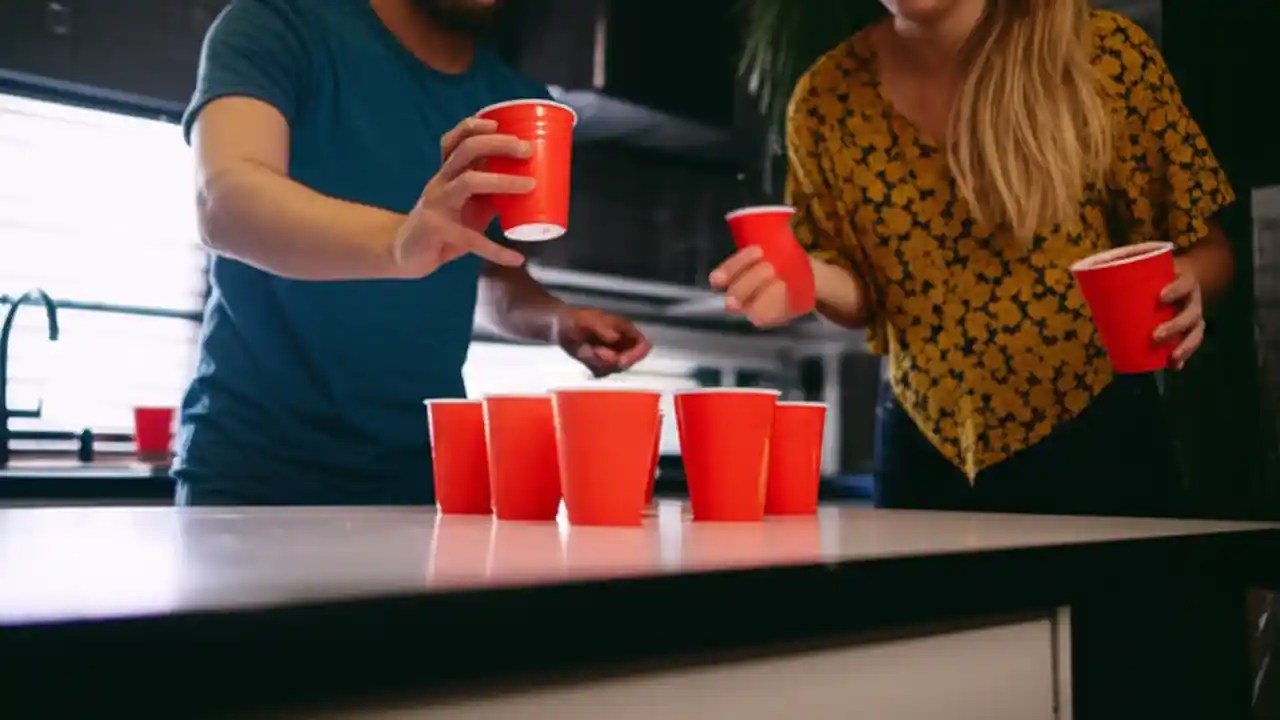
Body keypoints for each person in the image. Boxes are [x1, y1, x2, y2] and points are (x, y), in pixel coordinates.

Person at [713, 0, 1235, 517]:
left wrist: (1184, 280)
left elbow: (1207, 249)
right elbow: (867, 295)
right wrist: (807, 277)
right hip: (923, 452)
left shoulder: (1103, 54)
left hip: (1100, 440)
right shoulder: (824, 100)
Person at [175, 0, 651, 505]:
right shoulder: (276, 24)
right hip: (255, 473)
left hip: (426, 479)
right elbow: (225, 201)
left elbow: (489, 271)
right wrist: (399, 241)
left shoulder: (515, 101)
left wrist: (557, 321)